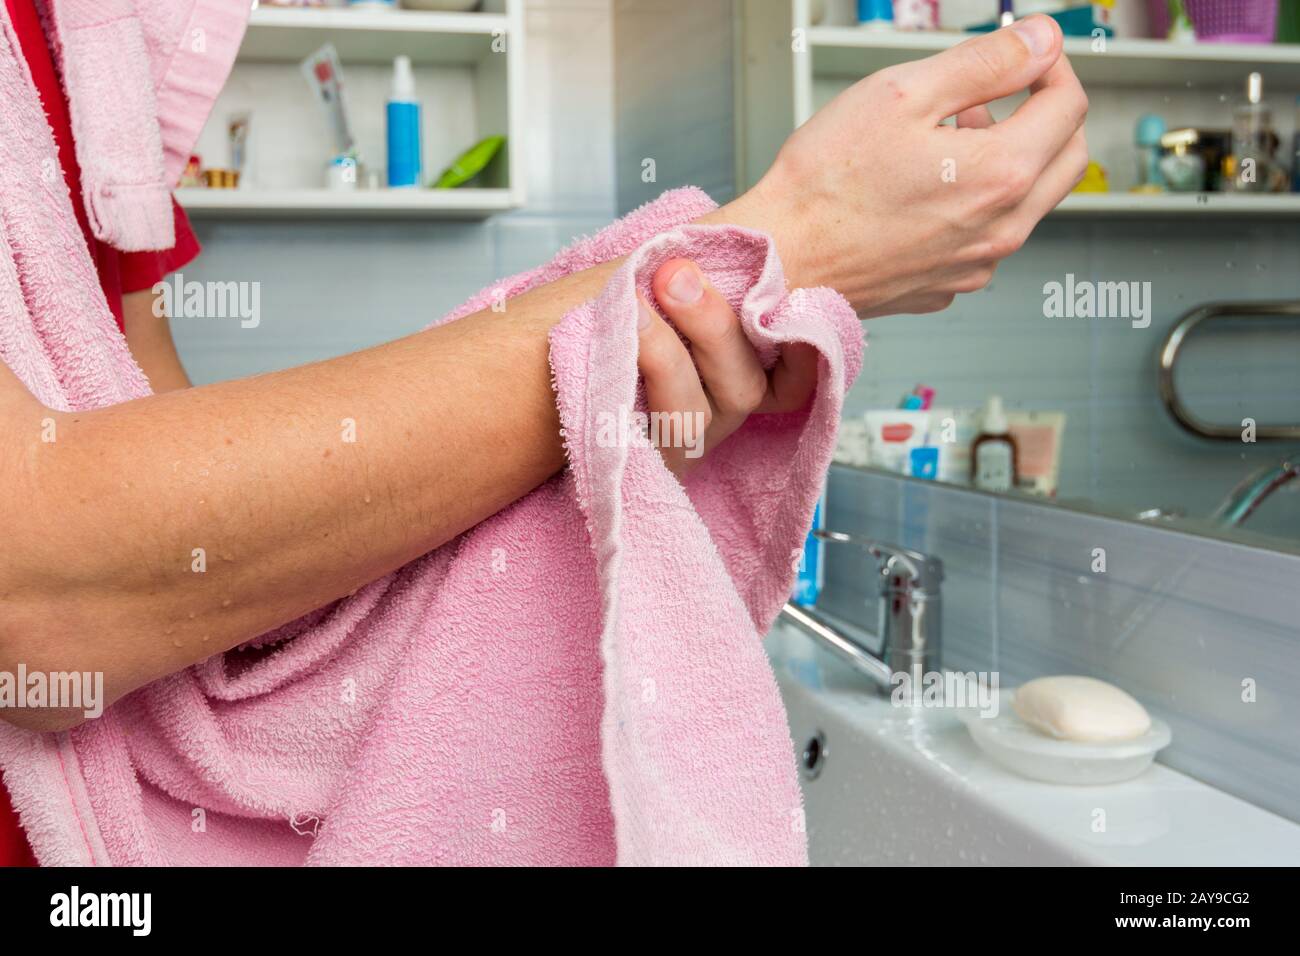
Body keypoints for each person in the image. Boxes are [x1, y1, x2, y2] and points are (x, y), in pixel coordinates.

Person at [0, 9, 1087, 865]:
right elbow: (37, 582)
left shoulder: (86, 83)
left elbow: (188, 578)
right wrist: (779, 240)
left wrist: (624, 385)